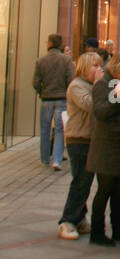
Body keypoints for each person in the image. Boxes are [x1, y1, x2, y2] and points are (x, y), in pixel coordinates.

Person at [87, 50, 120, 247]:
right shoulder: (104, 84)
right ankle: (97, 231)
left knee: (119, 190)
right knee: (105, 190)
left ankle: (119, 229)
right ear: (117, 66)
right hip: (107, 146)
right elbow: (101, 112)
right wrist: (115, 100)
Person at [58, 51, 104, 239]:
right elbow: (91, 104)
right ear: (85, 67)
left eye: (100, 65)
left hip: (93, 139)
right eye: (95, 66)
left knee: (85, 181)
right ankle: (67, 220)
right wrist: (99, 85)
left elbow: (114, 103)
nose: (99, 69)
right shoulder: (76, 86)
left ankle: (79, 217)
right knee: (81, 181)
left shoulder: (96, 85)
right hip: (78, 139)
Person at [33, 33, 73, 170]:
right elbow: (70, 80)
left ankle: (44, 159)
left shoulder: (41, 60)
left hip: (46, 98)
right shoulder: (66, 60)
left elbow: (35, 82)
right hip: (61, 99)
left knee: (44, 130)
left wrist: (41, 92)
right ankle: (57, 160)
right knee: (59, 130)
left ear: (49, 43)